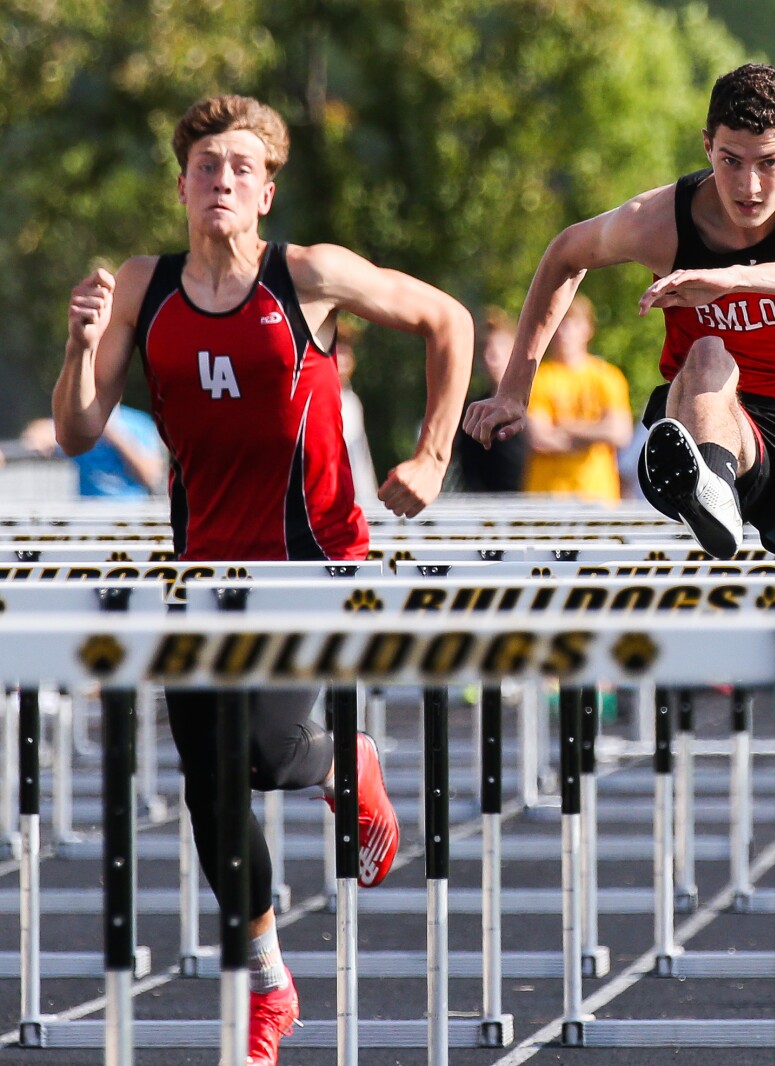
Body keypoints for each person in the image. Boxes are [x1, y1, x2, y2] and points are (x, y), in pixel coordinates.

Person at [51, 95, 471, 1064]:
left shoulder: (308, 277)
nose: (222, 181)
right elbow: (77, 428)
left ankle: (340, 761)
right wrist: (80, 345)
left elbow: (446, 320)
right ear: (184, 185)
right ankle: (269, 981)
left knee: (264, 749)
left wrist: (433, 456)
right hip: (201, 570)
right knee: (207, 780)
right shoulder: (146, 286)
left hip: (313, 564)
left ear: (266, 190)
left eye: (240, 167)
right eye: (206, 166)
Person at [462, 64, 775, 790]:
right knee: (710, 354)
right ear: (707, 144)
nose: (748, 186)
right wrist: (515, 390)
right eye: (730, 161)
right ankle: (709, 488)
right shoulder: (661, 219)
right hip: (721, 417)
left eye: (769, 164)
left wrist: (730, 281)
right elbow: (564, 255)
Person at [521, 294, 633, 503]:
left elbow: (620, 434)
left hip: (598, 494)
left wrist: (563, 426)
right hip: (546, 496)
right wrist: (594, 434)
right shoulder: (537, 378)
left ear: (588, 329)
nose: (564, 332)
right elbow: (539, 439)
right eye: (559, 324)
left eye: (571, 324)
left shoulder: (607, 376)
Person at [451, 307, 529, 493]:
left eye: (500, 347)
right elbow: (468, 470)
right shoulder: (471, 410)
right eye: (486, 349)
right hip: (488, 508)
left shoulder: (541, 399)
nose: (492, 357)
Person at [20, 401, 166, 496]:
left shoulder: (139, 423)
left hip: (132, 516)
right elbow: (39, 433)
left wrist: (113, 434)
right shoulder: (78, 424)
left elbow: (150, 477)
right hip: (87, 516)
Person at [332, 318, 381, 503]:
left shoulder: (351, 401)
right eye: (337, 347)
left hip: (358, 504)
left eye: (346, 349)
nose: (343, 356)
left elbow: (360, 463)